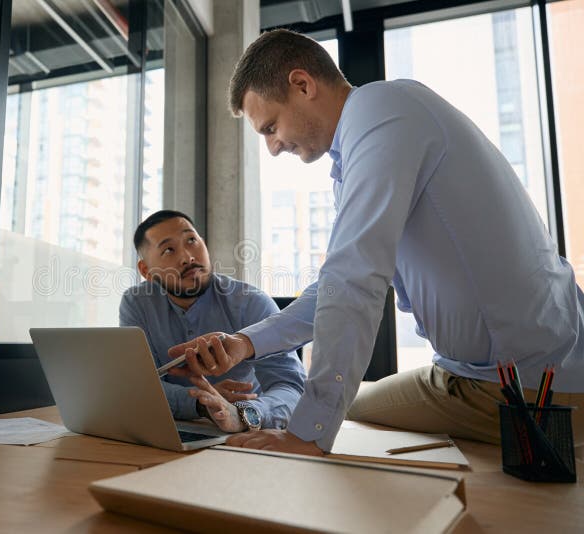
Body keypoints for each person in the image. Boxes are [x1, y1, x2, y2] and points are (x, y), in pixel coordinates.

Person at [168, 29, 584, 456]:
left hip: (527, 385)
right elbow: (334, 286)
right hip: (469, 374)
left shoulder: (383, 112)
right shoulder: (364, 142)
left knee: (335, 420)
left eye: (271, 127)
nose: (273, 147)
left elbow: (353, 278)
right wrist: (246, 342)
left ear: (302, 85)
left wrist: (306, 437)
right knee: (346, 410)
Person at [120, 209, 305, 433]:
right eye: (169, 250)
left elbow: (292, 387)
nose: (188, 257)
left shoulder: (250, 302)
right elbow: (138, 385)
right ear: (146, 270)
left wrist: (244, 412)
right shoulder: (137, 303)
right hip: (170, 430)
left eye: (192, 240)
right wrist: (201, 403)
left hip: (247, 432)